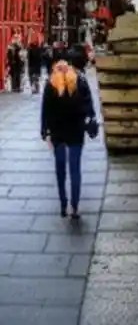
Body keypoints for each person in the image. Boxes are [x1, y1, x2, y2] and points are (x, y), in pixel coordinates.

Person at [40, 61, 95, 219]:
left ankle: (63, 204)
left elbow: (46, 109)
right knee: (75, 169)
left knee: (60, 170)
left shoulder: (51, 84)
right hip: (76, 131)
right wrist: (88, 119)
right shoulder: (80, 81)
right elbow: (88, 106)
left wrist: (45, 130)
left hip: (58, 132)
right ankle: (75, 207)